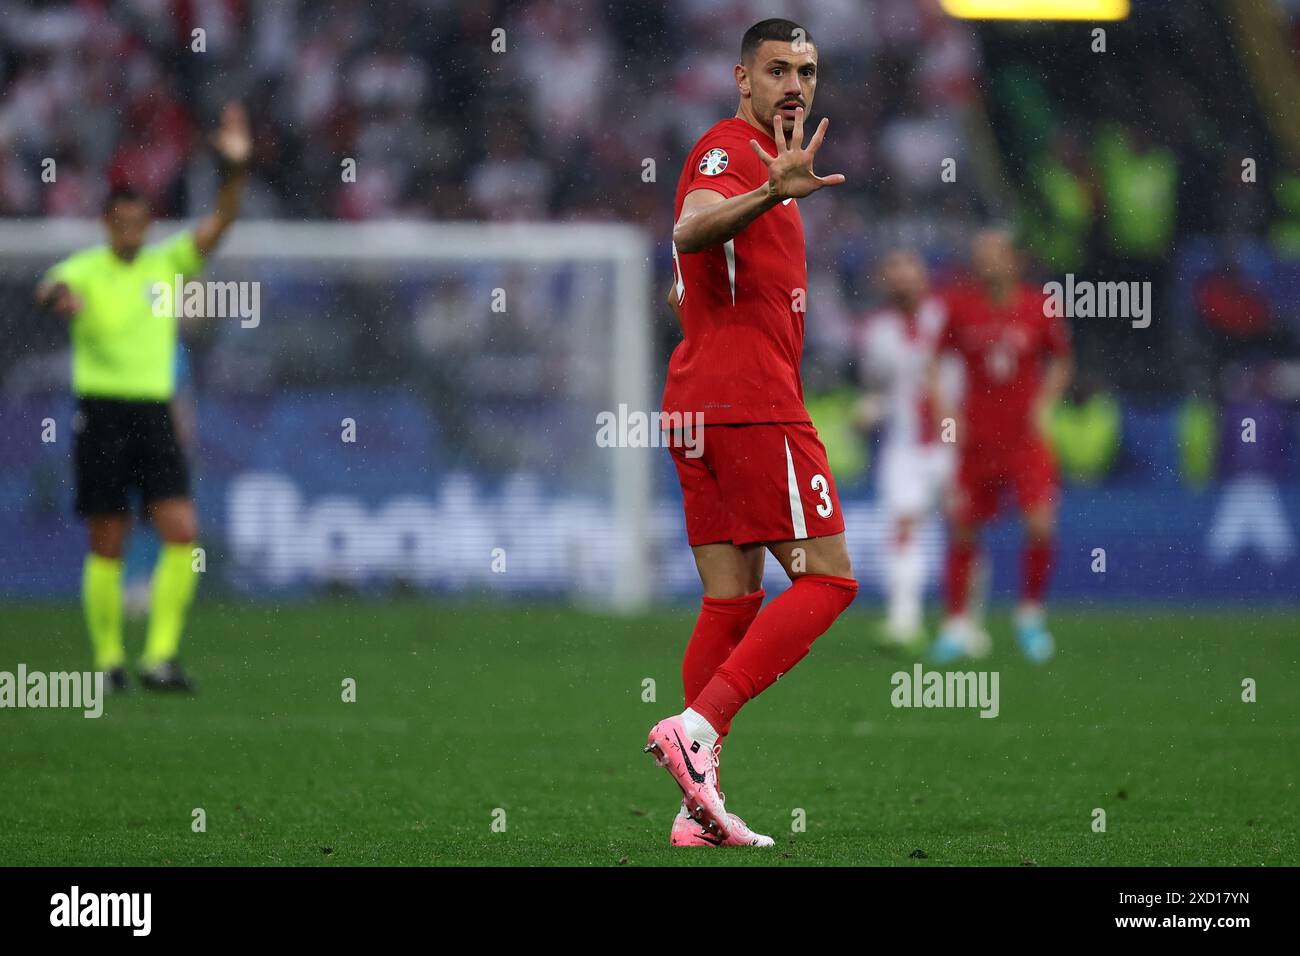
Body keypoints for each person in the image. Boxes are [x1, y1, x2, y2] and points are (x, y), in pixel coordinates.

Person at [645, 18, 858, 847]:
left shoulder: (762, 162)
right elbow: (690, 228)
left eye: (806, 69)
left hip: (701, 399)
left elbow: (686, 278)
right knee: (830, 580)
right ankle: (696, 732)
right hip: (750, 403)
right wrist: (772, 189)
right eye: (777, 69)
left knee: (732, 600)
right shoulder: (732, 150)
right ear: (742, 78)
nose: (795, 84)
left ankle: (697, 806)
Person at [34, 103, 251, 692]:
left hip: (153, 413)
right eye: (121, 223)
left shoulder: (167, 263)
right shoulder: (83, 270)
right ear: (107, 223)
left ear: (148, 223)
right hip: (101, 414)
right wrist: (58, 301)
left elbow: (220, 225)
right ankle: (107, 661)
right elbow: (47, 288)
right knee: (108, 539)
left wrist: (234, 171)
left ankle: (159, 656)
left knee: (181, 529)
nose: (130, 232)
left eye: (138, 223)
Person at [930, 229, 1072, 664]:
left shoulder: (1040, 305)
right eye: (980, 255)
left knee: (1041, 522)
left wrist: (1045, 403)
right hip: (976, 439)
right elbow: (934, 364)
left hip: (1024, 439)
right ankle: (956, 624)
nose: (986, 262)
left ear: (1013, 260)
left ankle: (1030, 616)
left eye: (994, 254)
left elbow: (1063, 358)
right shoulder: (959, 306)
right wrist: (945, 412)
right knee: (964, 526)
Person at [857, 249, 954, 653]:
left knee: (965, 527)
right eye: (893, 273)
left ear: (923, 276)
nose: (901, 281)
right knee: (903, 525)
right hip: (905, 444)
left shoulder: (948, 316)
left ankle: (963, 623)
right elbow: (878, 388)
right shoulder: (877, 331)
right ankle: (904, 620)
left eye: (908, 272)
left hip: (953, 439)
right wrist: (869, 410)